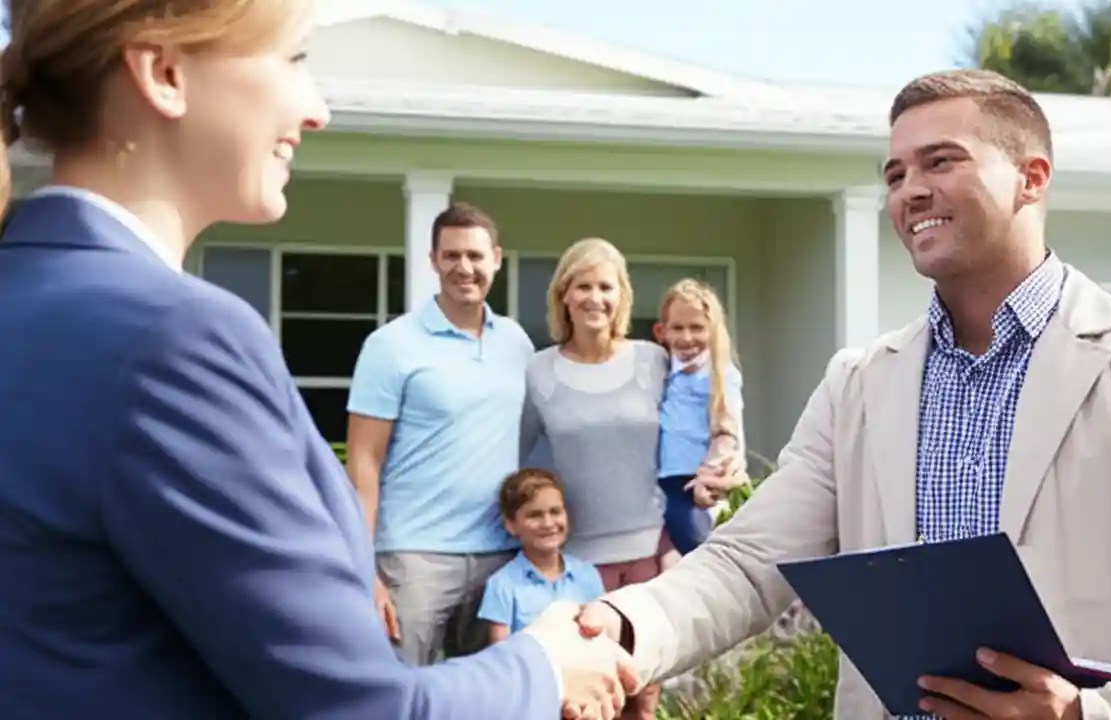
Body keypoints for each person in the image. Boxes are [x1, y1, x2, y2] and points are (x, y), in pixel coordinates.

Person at [575, 68, 1111, 719]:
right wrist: (628, 628)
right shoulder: (857, 386)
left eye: (941, 161)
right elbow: (746, 563)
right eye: (894, 173)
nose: (909, 189)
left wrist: (1087, 714)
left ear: (1031, 177)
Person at [0, 2, 635, 719]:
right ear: (165, 73)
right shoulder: (172, 339)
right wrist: (547, 665)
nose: (316, 109)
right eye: (294, 60)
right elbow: (359, 710)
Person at [346, 202, 534, 667]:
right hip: (413, 560)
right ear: (433, 261)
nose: (463, 268)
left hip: (502, 556)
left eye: (474, 256)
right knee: (399, 695)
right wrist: (362, 566)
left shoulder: (517, 344)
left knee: (490, 703)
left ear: (497, 259)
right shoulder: (390, 346)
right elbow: (364, 462)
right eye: (451, 256)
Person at [521, 237, 670, 719]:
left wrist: (724, 461)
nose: (594, 298)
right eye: (582, 285)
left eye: (606, 286)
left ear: (621, 296)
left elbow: (704, 415)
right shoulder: (540, 372)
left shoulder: (652, 361)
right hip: (579, 565)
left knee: (643, 697)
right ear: (564, 294)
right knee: (589, 702)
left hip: (650, 556)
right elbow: (515, 460)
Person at [652, 278, 748, 557]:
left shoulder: (719, 375)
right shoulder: (663, 372)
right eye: (677, 328)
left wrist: (708, 477)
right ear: (662, 331)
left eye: (696, 328)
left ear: (713, 330)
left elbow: (726, 435)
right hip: (663, 484)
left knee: (700, 557)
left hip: (693, 485)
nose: (686, 337)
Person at [479, 468, 608, 642]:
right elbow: (502, 653)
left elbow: (604, 634)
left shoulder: (587, 574)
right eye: (534, 515)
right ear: (511, 524)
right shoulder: (502, 585)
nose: (548, 523)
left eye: (555, 512)